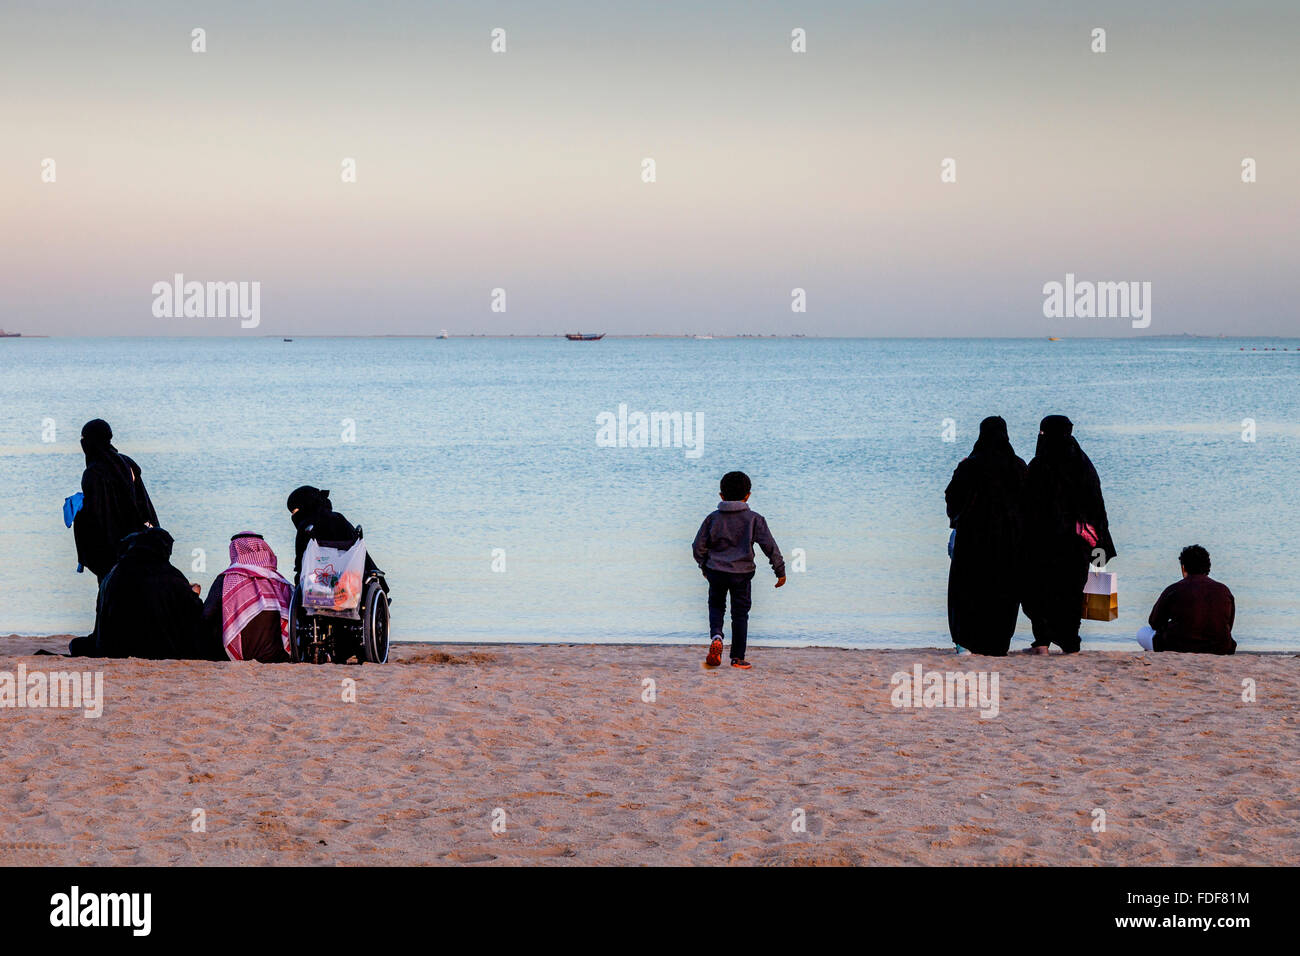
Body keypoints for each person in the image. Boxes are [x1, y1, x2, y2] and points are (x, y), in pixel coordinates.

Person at [1021, 415, 1116, 654]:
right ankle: (1070, 641)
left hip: (1042, 541)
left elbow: (1026, 505)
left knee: (1038, 589)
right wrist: (1101, 542)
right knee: (1072, 591)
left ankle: (1042, 642)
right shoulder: (1084, 464)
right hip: (1078, 542)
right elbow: (1097, 504)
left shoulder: (1039, 464)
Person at [944, 416, 1028, 656]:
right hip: (1009, 542)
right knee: (1004, 590)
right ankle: (998, 643)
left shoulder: (970, 466)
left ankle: (967, 641)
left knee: (969, 590)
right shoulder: (1018, 466)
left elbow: (953, 498)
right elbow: (1030, 502)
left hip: (973, 542)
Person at [692, 471, 786, 670]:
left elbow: (697, 546)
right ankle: (737, 658)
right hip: (742, 575)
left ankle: (717, 636)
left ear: (721, 496)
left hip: (716, 571)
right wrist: (780, 570)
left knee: (716, 606)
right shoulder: (754, 519)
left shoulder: (712, 519)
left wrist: (704, 566)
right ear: (748, 495)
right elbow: (770, 546)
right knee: (740, 614)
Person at [73, 527, 205, 659]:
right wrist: (194, 593)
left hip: (114, 647)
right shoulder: (171, 576)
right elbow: (193, 611)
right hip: (159, 647)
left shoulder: (112, 575)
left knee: (77, 644)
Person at [72, 419, 159, 582]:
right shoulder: (127, 464)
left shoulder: (93, 472)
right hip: (141, 542)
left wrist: (78, 510)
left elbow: (98, 517)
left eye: (83, 440)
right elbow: (141, 503)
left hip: (112, 554)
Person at [200, 533, 293, 662]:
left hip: (236, 657)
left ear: (235, 551)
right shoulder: (282, 583)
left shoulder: (226, 579)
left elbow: (206, 615)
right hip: (278, 656)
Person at [1137, 545, 1236, 654]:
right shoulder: (1224, 590)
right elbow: (1228, 625)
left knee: (1142, 633)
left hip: (1178, 646)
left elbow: (1154, 622)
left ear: (1183, 568)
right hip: (1220, 647)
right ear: (1208, 567)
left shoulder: (1174, 589)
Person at [285, 486, 381, 586]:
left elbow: (300, 563)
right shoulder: (339, 518)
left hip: (317, 585)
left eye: (294, 511)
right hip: (352, 579)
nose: (293, 516)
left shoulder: (306, 527)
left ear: (305, 506)